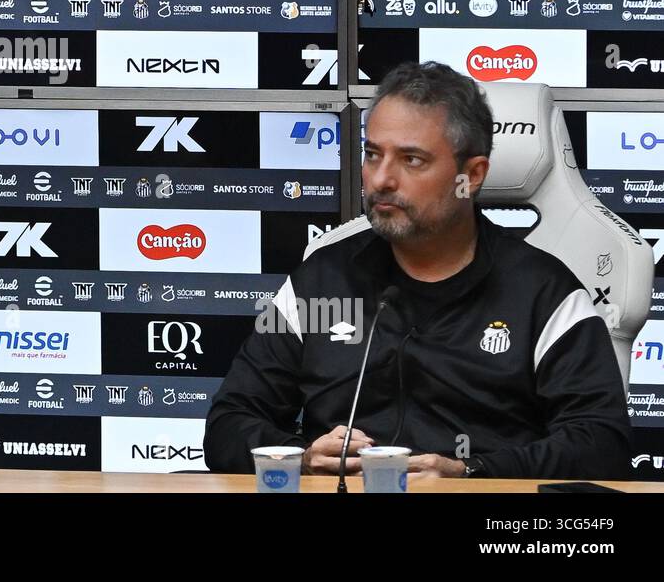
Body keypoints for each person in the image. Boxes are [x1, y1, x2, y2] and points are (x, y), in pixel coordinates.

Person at [204, 61, 631, 480]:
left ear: (471, 175)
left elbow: (601, 443)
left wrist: (471, 473)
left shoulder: (545, 294)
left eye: (412, 160)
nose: (381, 179)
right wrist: (302, 458)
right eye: (373, 155)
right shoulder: (320, 282)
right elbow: (229, 422)